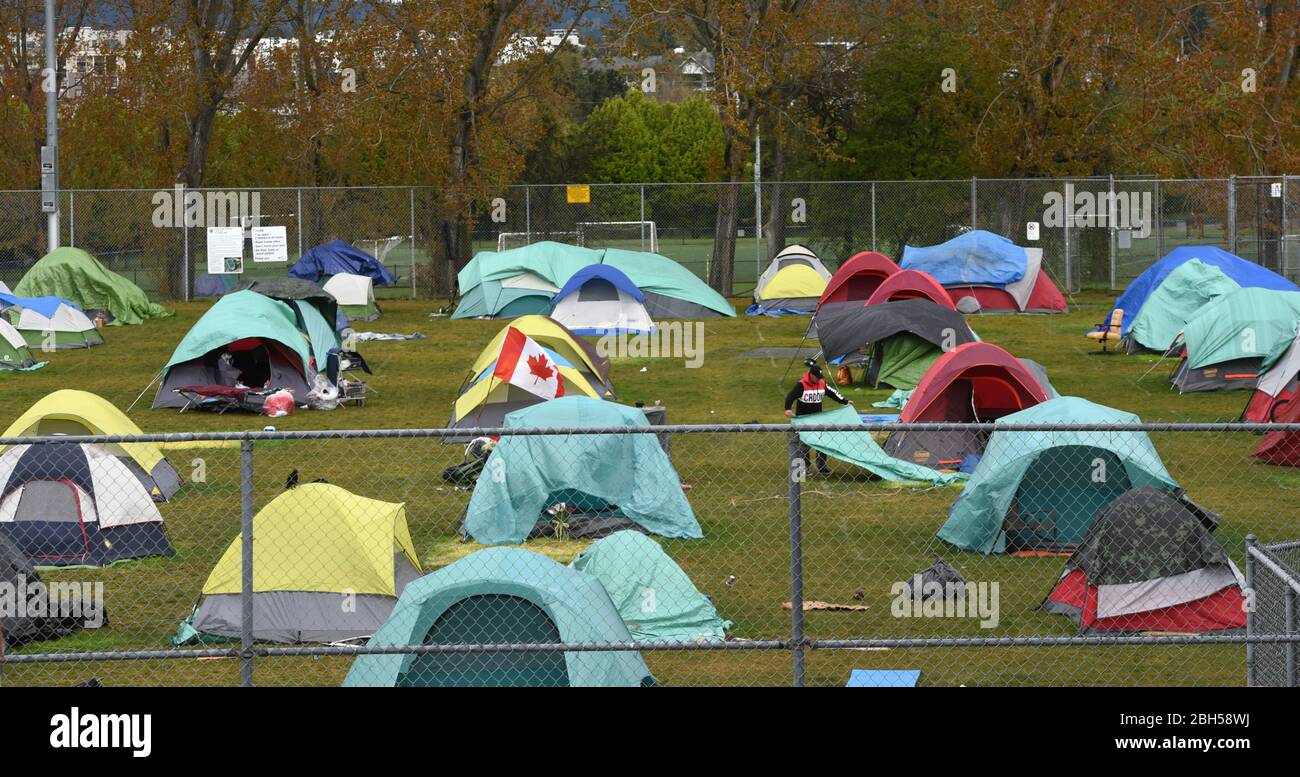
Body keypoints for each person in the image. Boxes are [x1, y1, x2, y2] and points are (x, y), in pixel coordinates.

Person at [784, 359, 852, 475]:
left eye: (820, 377)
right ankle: (804, 468)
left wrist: (845, 402)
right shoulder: (801, 385)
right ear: (811, 375)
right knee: (804, 445)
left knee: (822, 443)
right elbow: (790, 396)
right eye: (817, 377)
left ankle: (822, 466)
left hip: (819, 419)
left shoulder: (822, 383)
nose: (819, 379)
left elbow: (833, 393)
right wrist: (788, 409)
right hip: (804, 421)